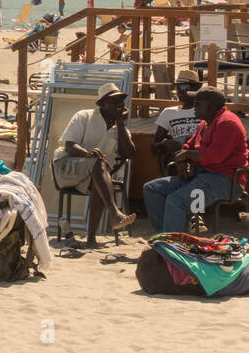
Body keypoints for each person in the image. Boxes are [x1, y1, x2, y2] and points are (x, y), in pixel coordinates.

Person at [143, 87, 248, 234]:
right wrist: (182, 162)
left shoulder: (227, 123)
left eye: (198, 103)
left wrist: (187, 156)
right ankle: (164, 240)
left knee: (176, 201)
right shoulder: (205, 123)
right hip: (202, 175)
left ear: (210, 107)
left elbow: (214, 156)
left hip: (225, 180)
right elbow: (188, 146)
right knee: (152, 189)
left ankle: (173, 248)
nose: (194, 106)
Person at [52, 83, 138, 245]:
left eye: (121, 100)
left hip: (94, 175)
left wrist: (120, 123)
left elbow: (129, 153)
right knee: (99, 164)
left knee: (100, 177)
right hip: (66, 167)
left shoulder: (121, 129)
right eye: (113, 101)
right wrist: (87, 153)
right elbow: (69, 145)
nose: (119, 104)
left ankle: (91, 239)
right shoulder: (84, 116)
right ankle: (114, 212)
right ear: (102, 104)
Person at [153, 70, 202, 176]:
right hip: (179, 159)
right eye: (177, 87)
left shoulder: (205, 111)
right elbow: (154, 146)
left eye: (184, 86)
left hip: (200, 157)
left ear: (196, 88)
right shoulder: (168, 113)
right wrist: (164, 143)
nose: (179, 90)